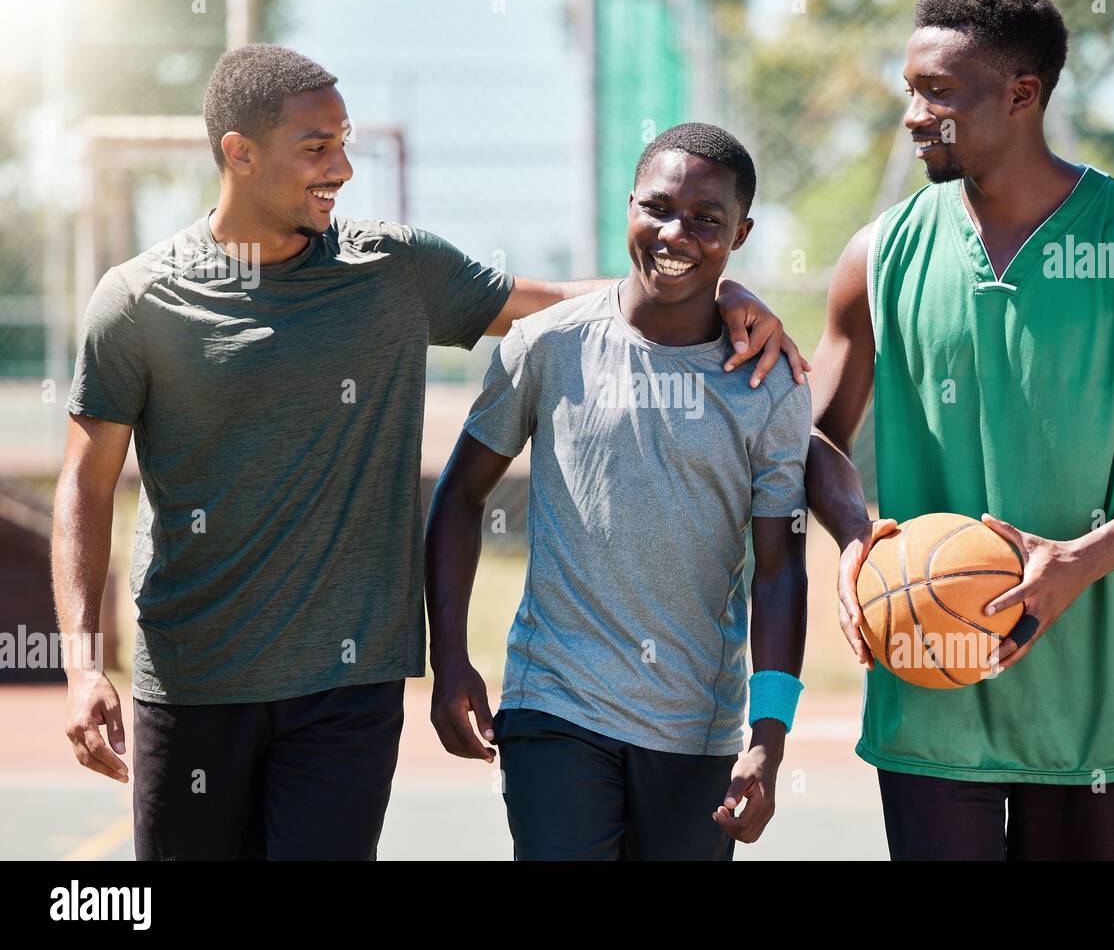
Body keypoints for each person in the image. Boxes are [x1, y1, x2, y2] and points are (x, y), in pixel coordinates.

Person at [52, 45, 806, 861]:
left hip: (347, 691)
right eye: (317, 148)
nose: (342, 166)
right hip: (193, 681)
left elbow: (561, 303)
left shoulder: (394, 268)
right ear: (238, 153)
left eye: (344, 142)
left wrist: (715, 282)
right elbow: (84, 487)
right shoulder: (136, 301)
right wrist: (84, 665)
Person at [805, 0, 1114, 860]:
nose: (913, 114)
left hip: (1094, 700)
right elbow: (812, 436)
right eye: (910, 90)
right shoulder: (877, 256)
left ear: (1021, 94)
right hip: (928, 677)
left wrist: (1081, 560)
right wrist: (854, 537)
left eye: (938, 93)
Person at [426, 123, 811, 860]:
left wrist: (769, 737)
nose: (676, 233)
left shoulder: (770, 384)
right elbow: (460, 497)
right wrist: (450, 657)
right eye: (659, 208)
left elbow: (778, 567)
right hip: (554, 705)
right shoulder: (546, 345)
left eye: (707, 219)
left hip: (695, 725)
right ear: (627, 203)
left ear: (741, 233)